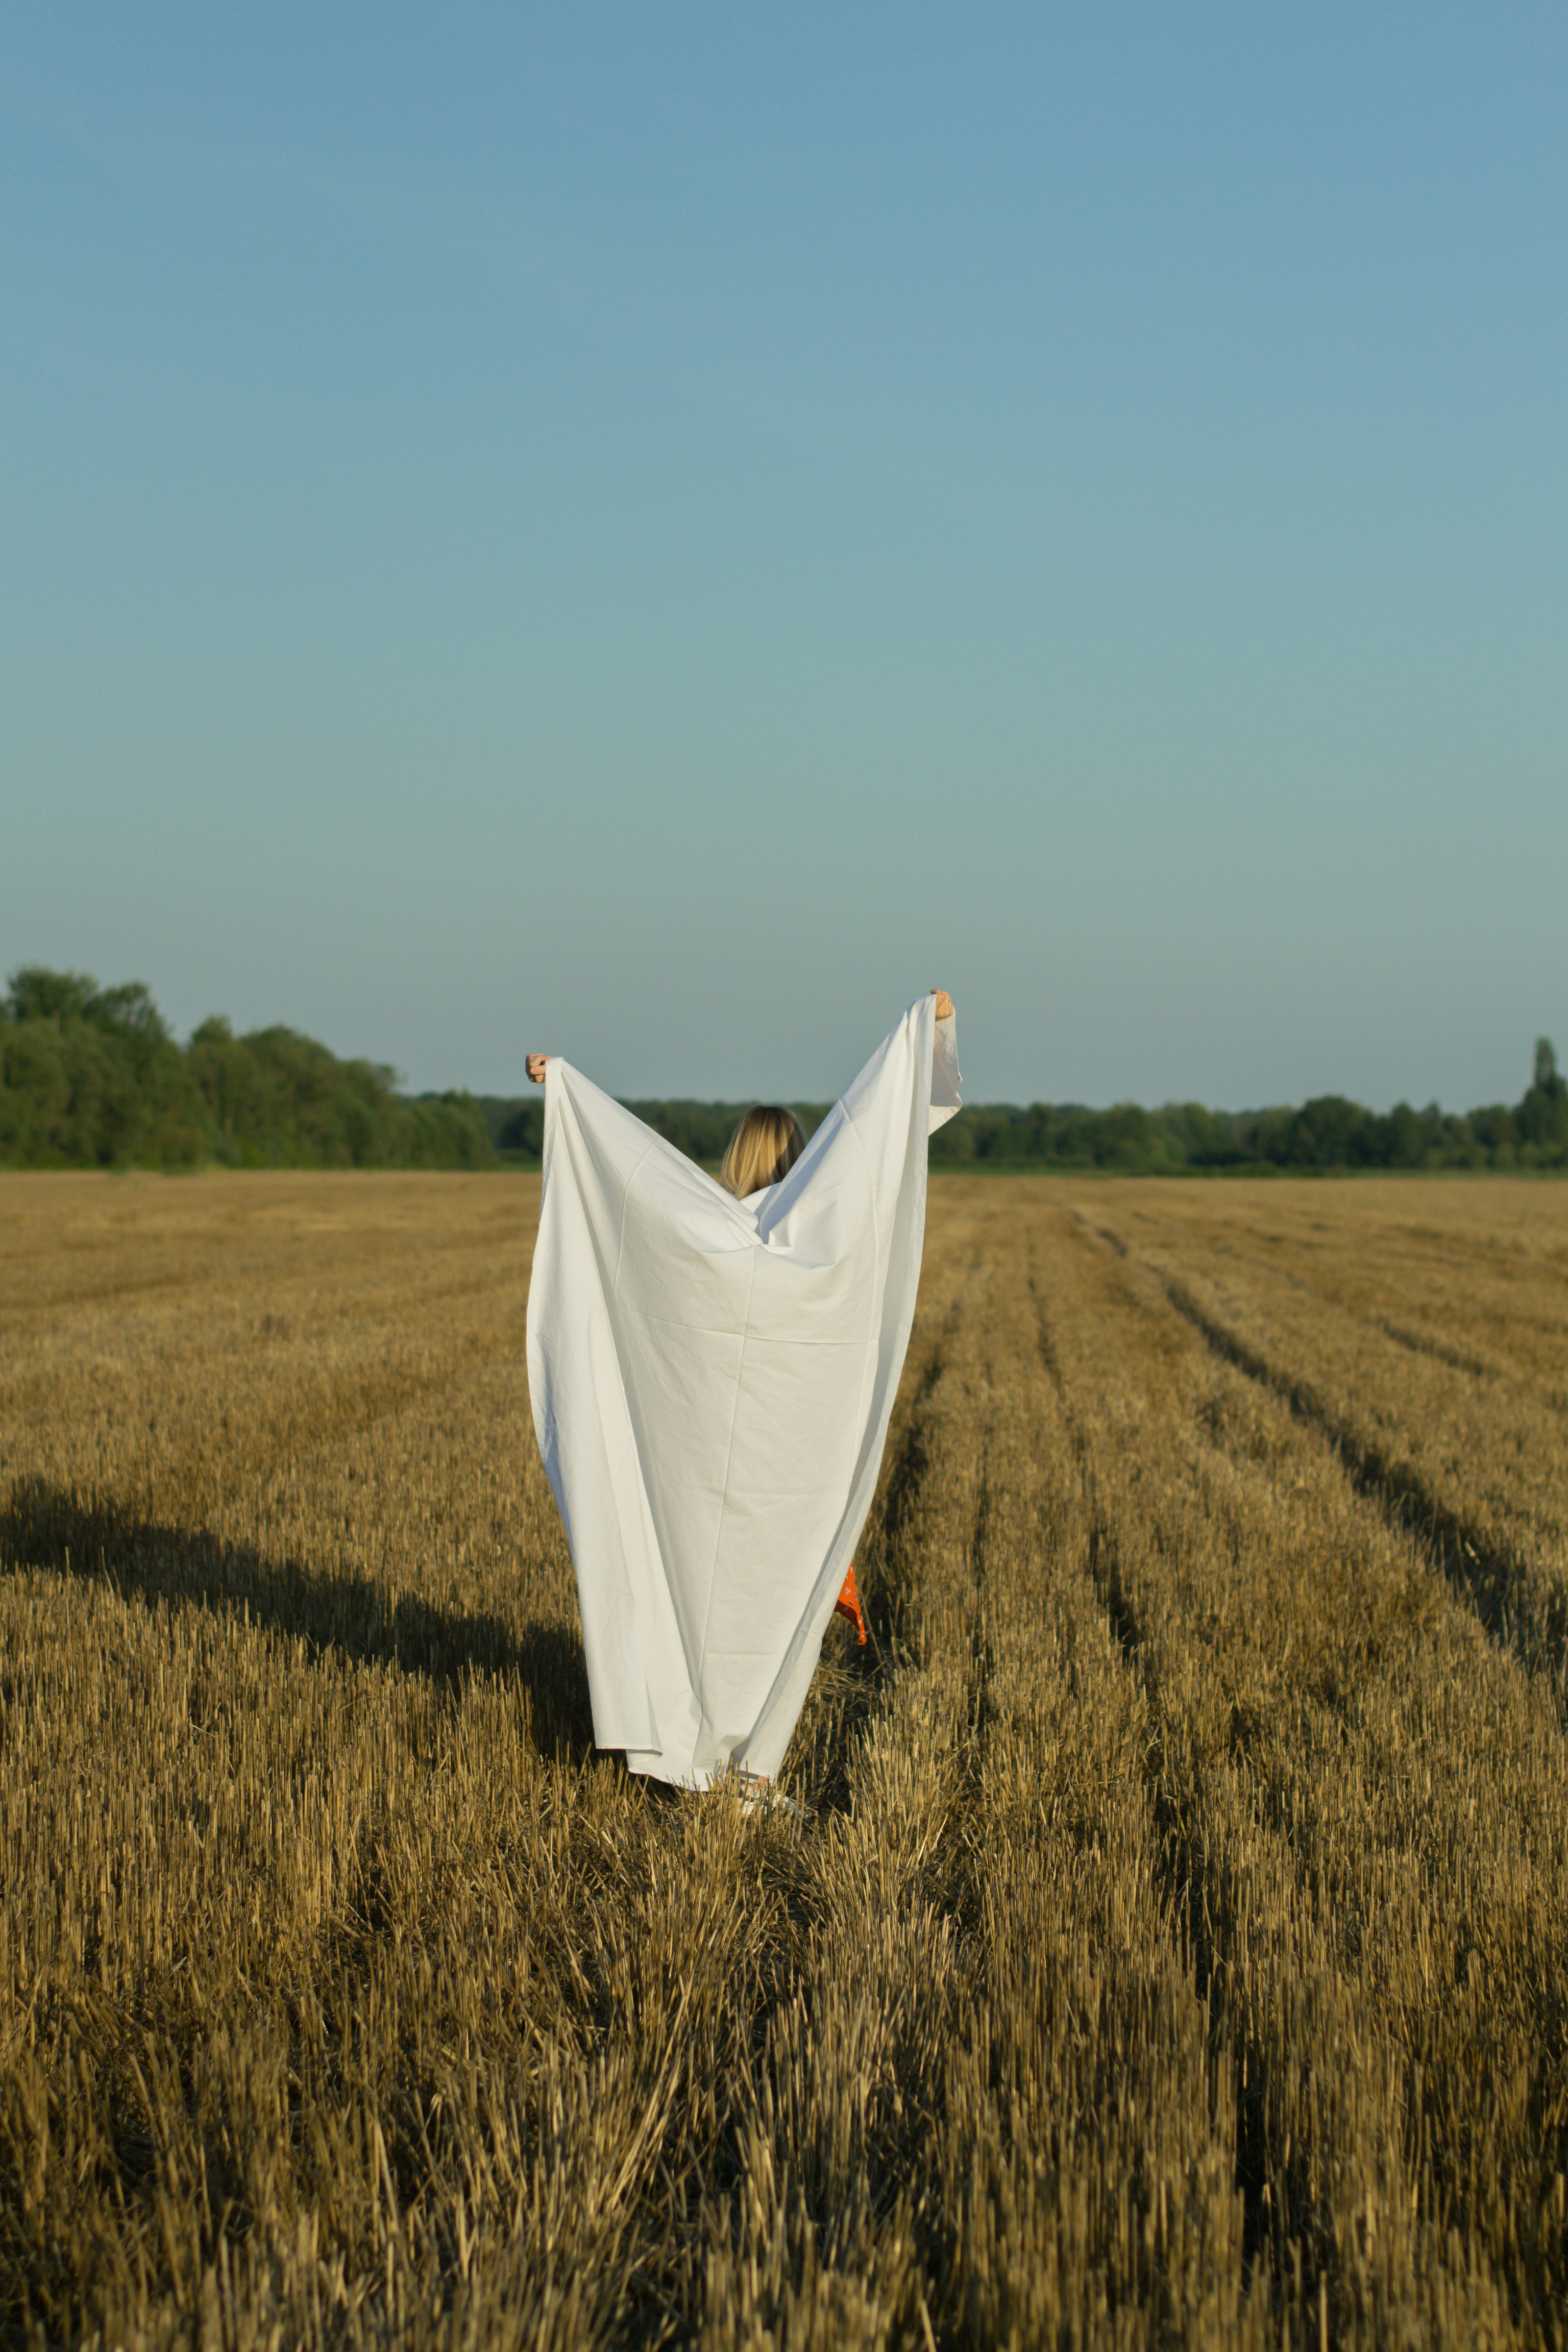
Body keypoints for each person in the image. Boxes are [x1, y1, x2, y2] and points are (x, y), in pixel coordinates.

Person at [524, 989, 959, 1798]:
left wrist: (566, 1092)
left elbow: (629, 1175)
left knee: (691, 1580)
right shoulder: (824, 1228)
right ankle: (752, 1759)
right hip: (790, 1464)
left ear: (736, 1156)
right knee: (772, 1587)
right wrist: (927, 1035)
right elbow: (886, 1141)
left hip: (693, 1466)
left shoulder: (700, 1233)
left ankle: (683, 1730)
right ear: (803, 1154)